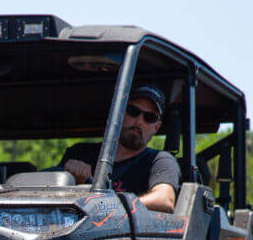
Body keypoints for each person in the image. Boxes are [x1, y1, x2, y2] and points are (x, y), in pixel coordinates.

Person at [59, 85, 180, 213]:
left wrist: (109, 206)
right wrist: (72, 178)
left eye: (149, 118)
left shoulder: (159, 161)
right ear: (120, 113)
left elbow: (164, 200)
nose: (139, 121)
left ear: (156, 128)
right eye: (133, 111)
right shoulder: (80, 153)